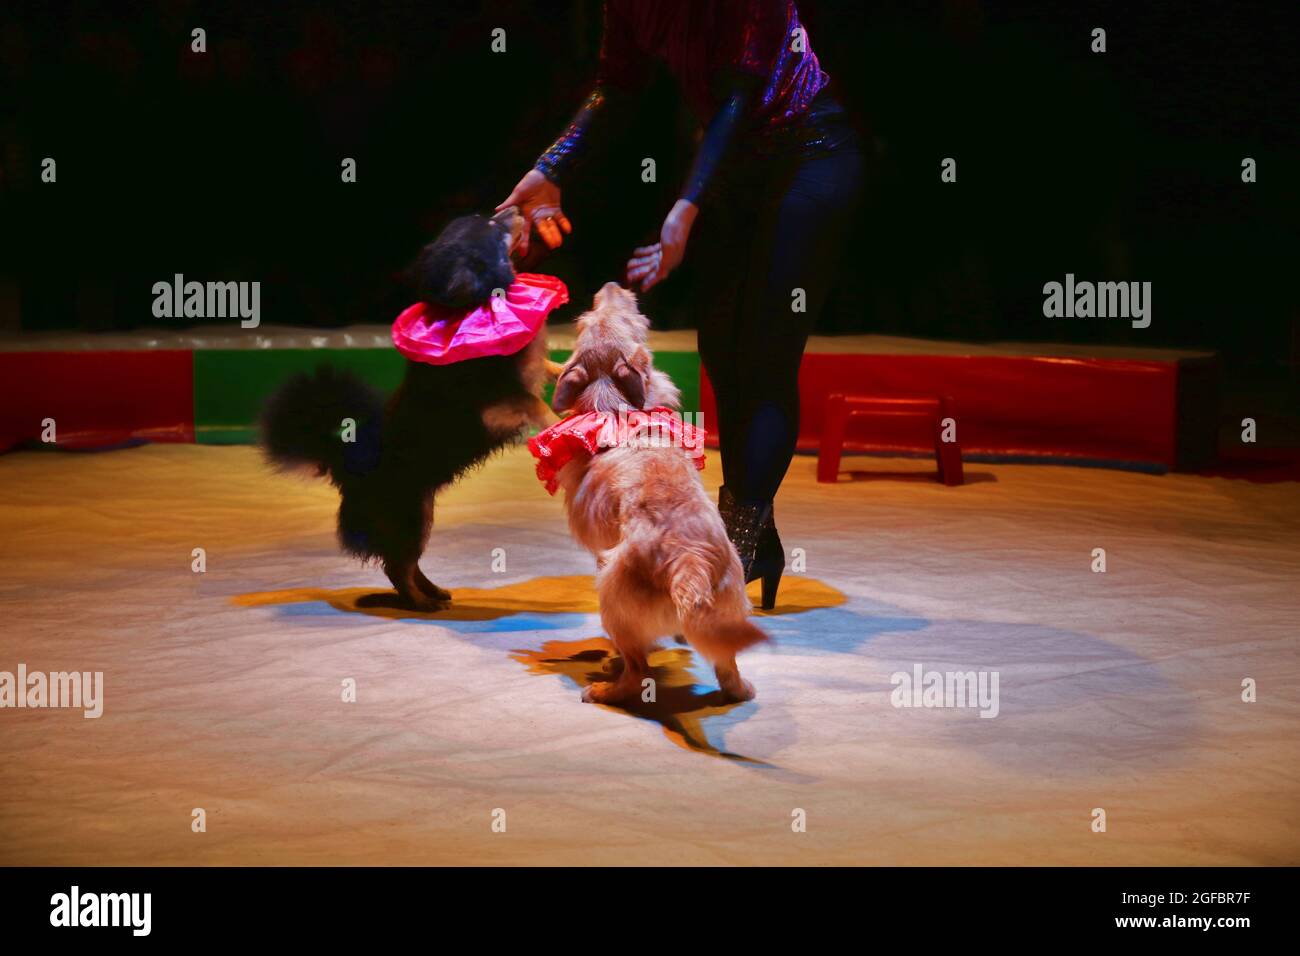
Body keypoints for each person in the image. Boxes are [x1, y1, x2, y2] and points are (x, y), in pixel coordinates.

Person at [499, 0, 863, 608]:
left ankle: (738, 544)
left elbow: (735, 96)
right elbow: (616, 89)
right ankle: (751, 537)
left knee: (765, 361)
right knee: (723, 357)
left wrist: (687, 205)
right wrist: (551, 167)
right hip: (731, 173)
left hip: (809, 158)